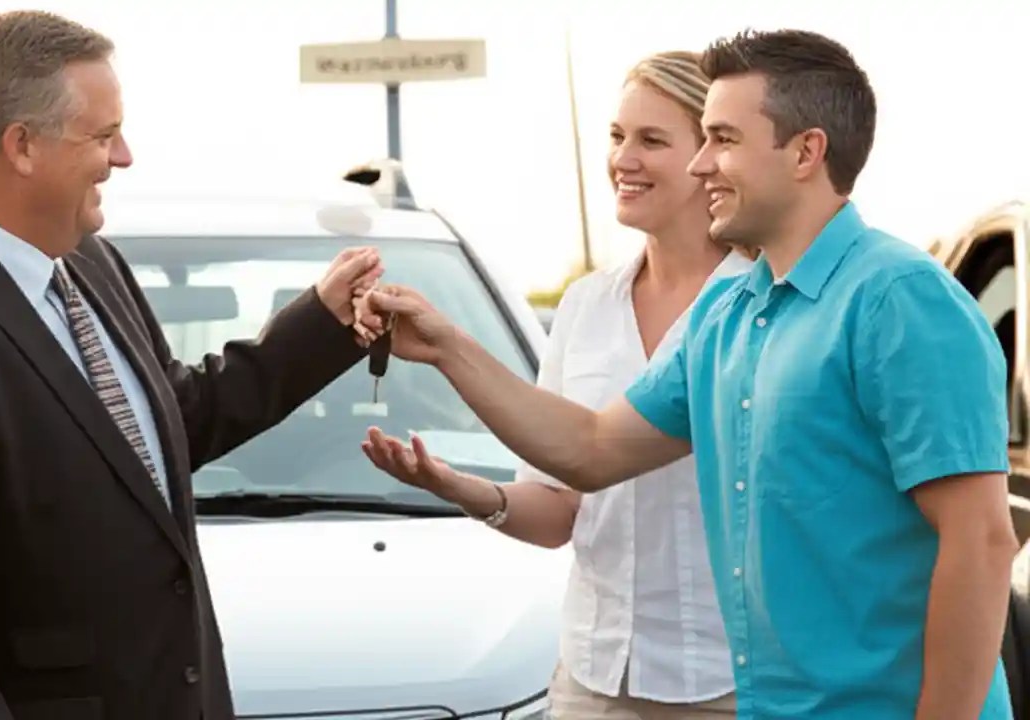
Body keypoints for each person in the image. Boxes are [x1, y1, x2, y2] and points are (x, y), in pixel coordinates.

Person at [357, 28, 1018, 719]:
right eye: (701, 139)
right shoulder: (728, 313)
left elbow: (980, 539)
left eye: (724, 139)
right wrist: (446, 347)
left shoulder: (900, 298)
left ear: (805, 152)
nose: (702, 165)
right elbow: (589, 450)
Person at [0, 10, 383, 720]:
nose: (124, 157)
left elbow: (167, 427)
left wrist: (320, 324)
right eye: (104, 135)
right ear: (22, 146)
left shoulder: (87, 260)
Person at [363, 51, 749, 718]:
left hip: (728, 684)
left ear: (709, 155)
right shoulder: (585, 306)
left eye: (652, 140)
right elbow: (561, 509)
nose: (623, 159)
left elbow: (594, 449)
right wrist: (455, 485)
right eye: (616, 135)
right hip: (592, 683)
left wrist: (453, 349)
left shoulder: (759, 306)